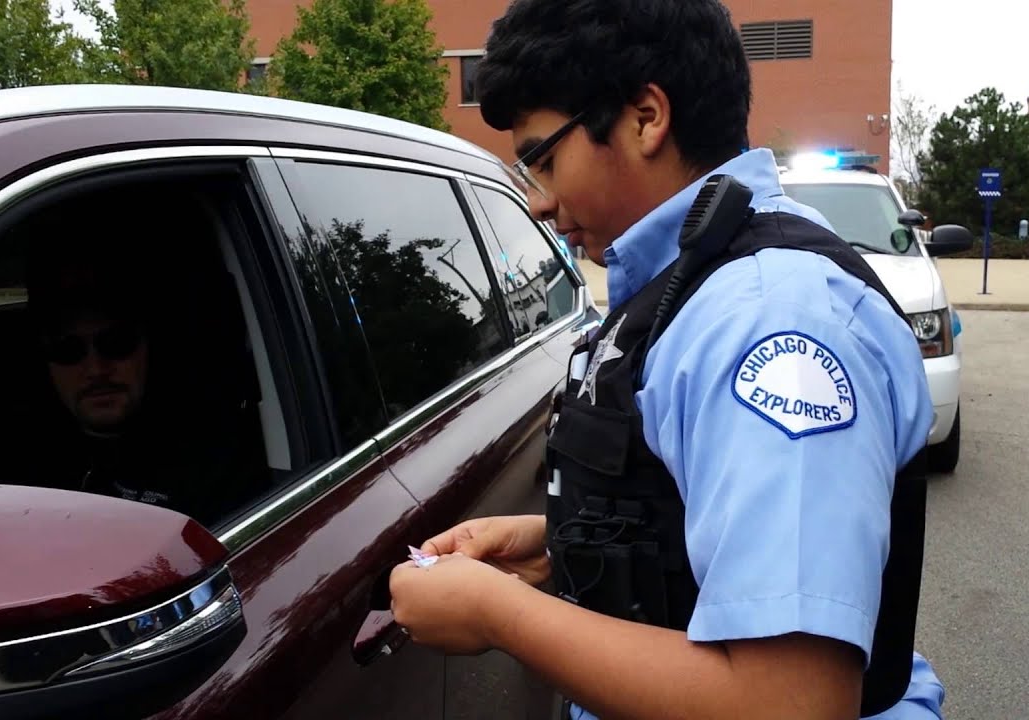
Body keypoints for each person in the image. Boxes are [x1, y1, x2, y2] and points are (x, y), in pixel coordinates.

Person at [388, 1, 946, 719]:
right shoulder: (700, 273)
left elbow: (790, 701)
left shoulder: (767, 319)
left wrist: (499, 615)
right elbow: (700, 504)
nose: (540, 202)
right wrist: (563, 544)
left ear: (646, 117)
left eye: (544, 159)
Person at [19, 228, 270, 527]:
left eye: (116, 343)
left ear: (150, 347)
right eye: (68, 350)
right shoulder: (19, 467)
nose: (96, 369)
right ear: (44, 361)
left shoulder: (217, 466)